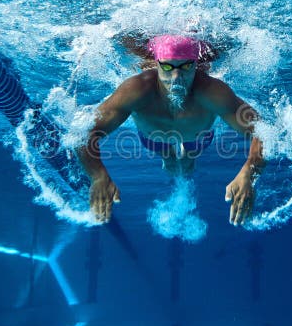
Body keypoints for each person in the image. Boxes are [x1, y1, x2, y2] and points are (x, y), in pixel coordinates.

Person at [76, 34, 265, 226]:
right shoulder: (136, 90)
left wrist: (249, 173)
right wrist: (97, 176)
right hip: (154, 138)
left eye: (185, 67)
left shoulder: (213, 92)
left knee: (191, 153)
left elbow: (264, 131)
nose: (176, 77)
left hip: (198, 137)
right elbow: (83, 134)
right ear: (156, 64)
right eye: (167, 67)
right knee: (165, 152)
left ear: (195, 64)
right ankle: (168, 156)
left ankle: (188, 156)